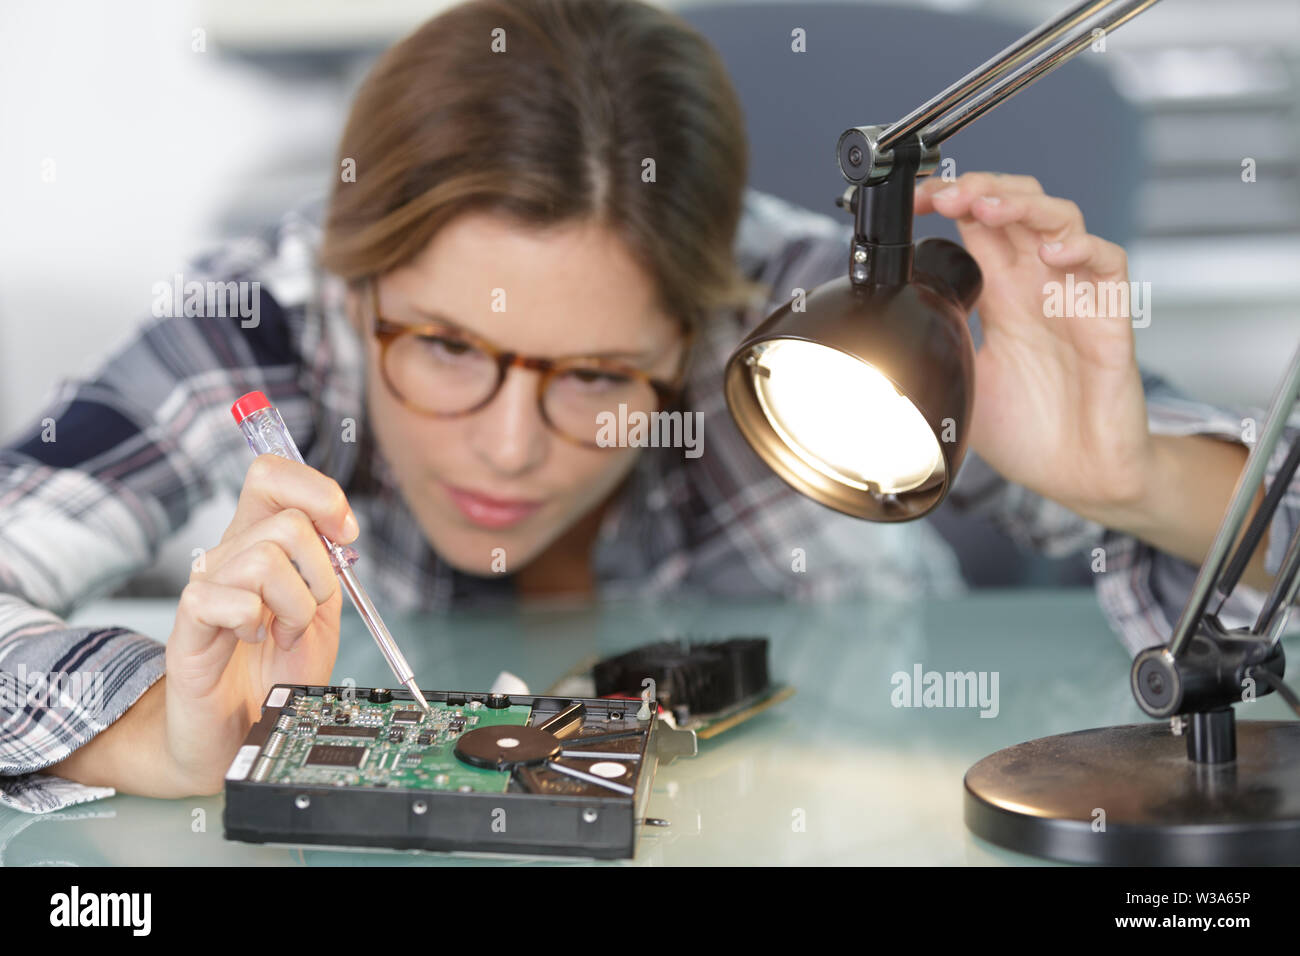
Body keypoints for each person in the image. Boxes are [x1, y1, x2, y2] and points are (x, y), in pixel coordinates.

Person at [0, 0, 1295, 815]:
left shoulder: (812, 311)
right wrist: (155, 739)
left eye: (599, 374)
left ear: (698, 322)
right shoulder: (256, 326)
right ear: (354, 282)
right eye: (446, 346)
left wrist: (1130, 479)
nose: (511, 446)